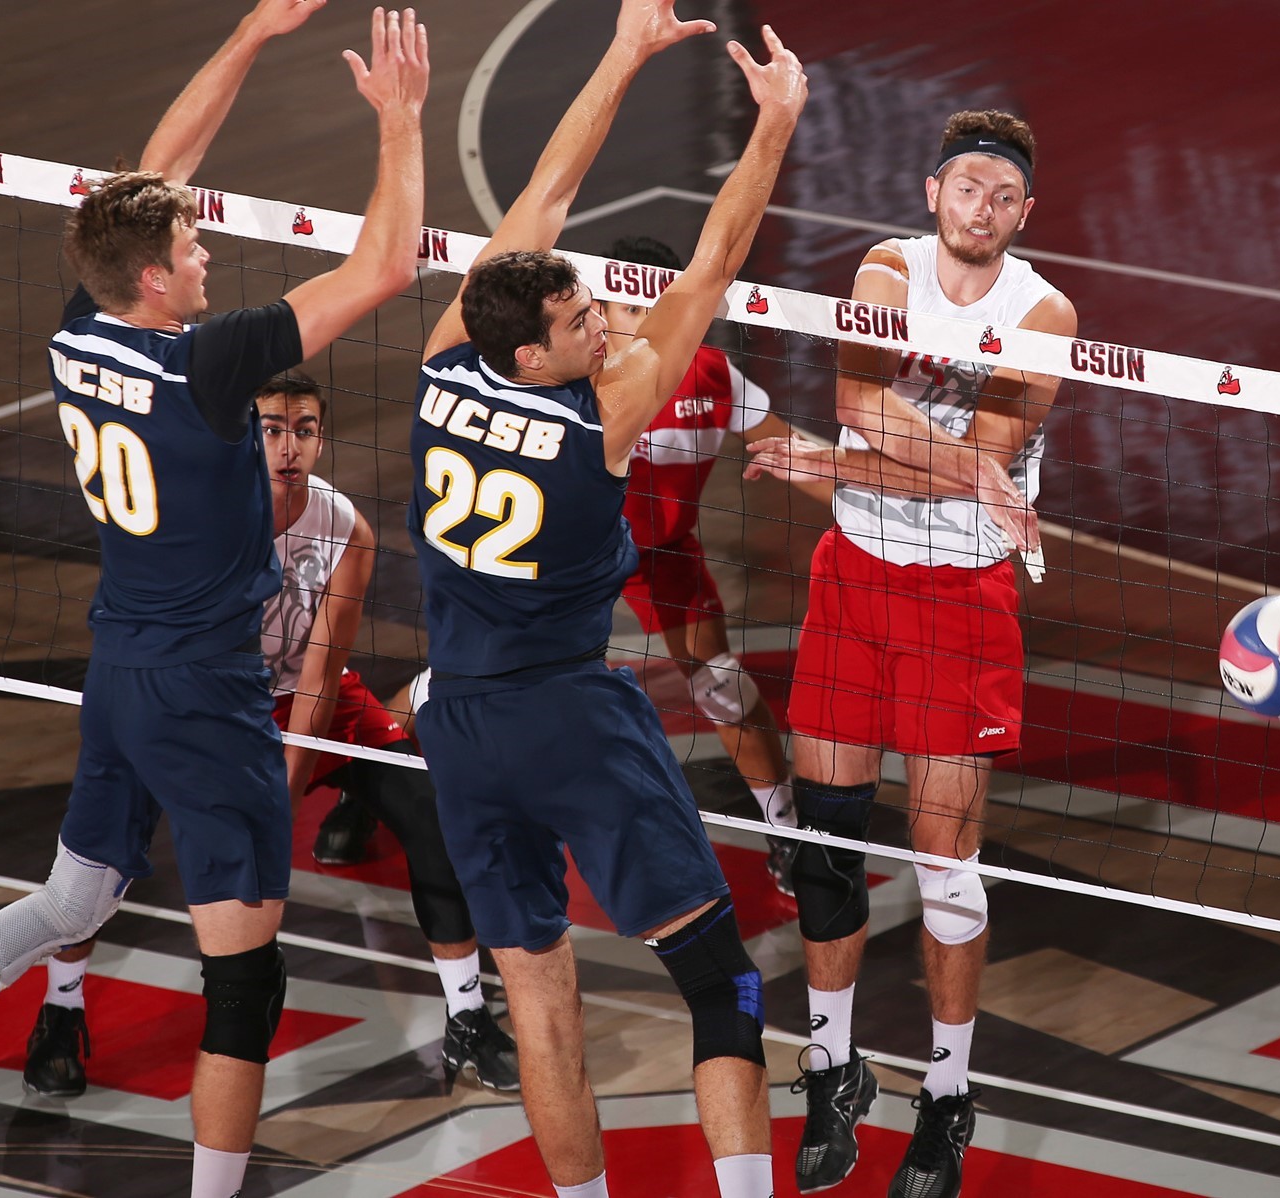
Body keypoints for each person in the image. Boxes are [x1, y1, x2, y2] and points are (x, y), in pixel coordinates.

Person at [0, 6, 429, 1197]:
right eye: (192, 251)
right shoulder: (203, 362)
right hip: (203, 690)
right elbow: (388, 265)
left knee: (76, 894)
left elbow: (152, 175)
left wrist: (251, 30)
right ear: (151, 277)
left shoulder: (80, 332)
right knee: (247, 979)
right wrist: (399, 122)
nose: (207, 257)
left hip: (121, 668)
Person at [403, 4, 805, 1196]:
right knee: (722, 977)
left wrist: (621, 53)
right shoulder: (604, 412)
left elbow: (546, 189)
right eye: (578, 318)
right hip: (571, 720)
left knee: (538, 998)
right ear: (531, 353)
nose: (600, 317)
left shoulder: (444, 359)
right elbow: (715, 266)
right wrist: (773, 124)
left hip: (460, 728)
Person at [19, 371, 519, 1099]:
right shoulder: (198, 515)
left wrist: (281, 796)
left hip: (310, 699)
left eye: (306, 429)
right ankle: (60, 1012)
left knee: (433, 812)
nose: (290, 446)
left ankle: (468, 1017)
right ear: (244, 434)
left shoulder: (346, 528)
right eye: (273, 428)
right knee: (108, 848)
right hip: (209, 702)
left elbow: (320, 679)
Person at [741, 108, 1075, 1198]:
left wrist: (836, 461)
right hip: (854, 580)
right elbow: (855, 401)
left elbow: (940, 449)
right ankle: (832, 1066)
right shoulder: (884, 269)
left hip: (960, 603)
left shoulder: (1045, 312)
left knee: (943, 866)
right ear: (932, 192)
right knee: (828, 846)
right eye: (967, 185)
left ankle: (947, 1094)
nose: (982, 206)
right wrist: (916, 459)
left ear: (1025, 214)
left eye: (1004, 195)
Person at [600, 233, 831, 894]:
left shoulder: (712, 375)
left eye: (658, 309)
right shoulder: (574, 377)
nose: (644, 325)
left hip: (663, 553)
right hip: (571, 559)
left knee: (721, 684)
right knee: (488, 683)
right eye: (629, 309)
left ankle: (786, 828)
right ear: (603, 311)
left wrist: (868, 509)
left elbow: (787, 452)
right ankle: (377, 766)